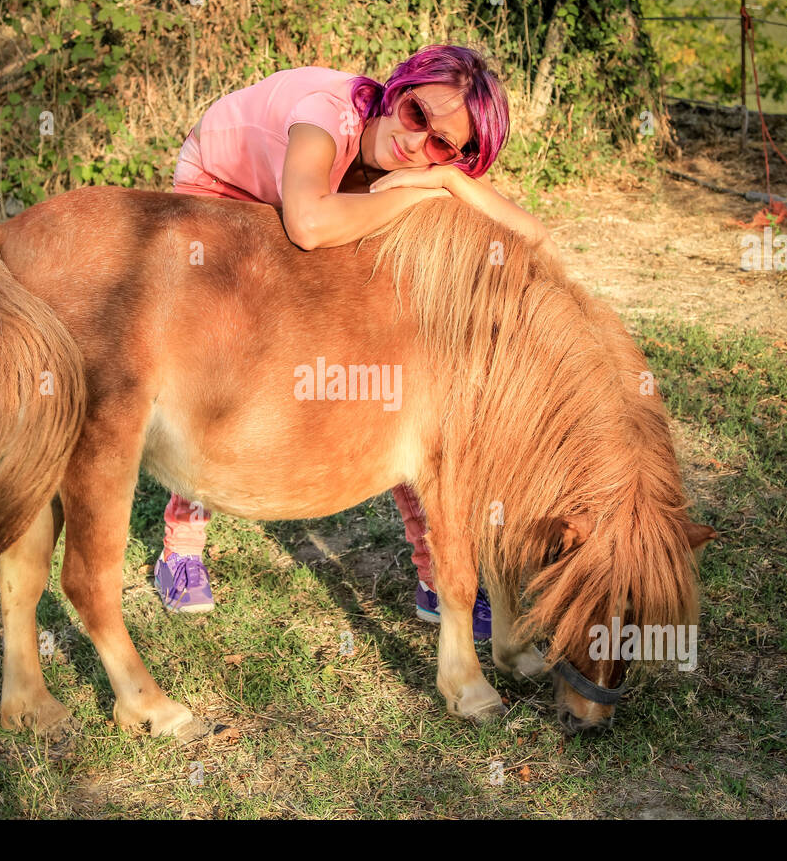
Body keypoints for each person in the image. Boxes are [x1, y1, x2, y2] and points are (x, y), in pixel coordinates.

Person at [157, 44, 556, 641]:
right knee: (223, 355)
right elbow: (310, 225)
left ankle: (436, 571)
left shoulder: (423, 166)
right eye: (418, 114)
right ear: (399, 89)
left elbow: (535, 240)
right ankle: (180, 545)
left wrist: (445, 182)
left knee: (391, 369)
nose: (418, 142)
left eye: (445, 145)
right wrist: (415, 192)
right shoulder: (329, 113)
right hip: (222, 191)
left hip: (307, 201)